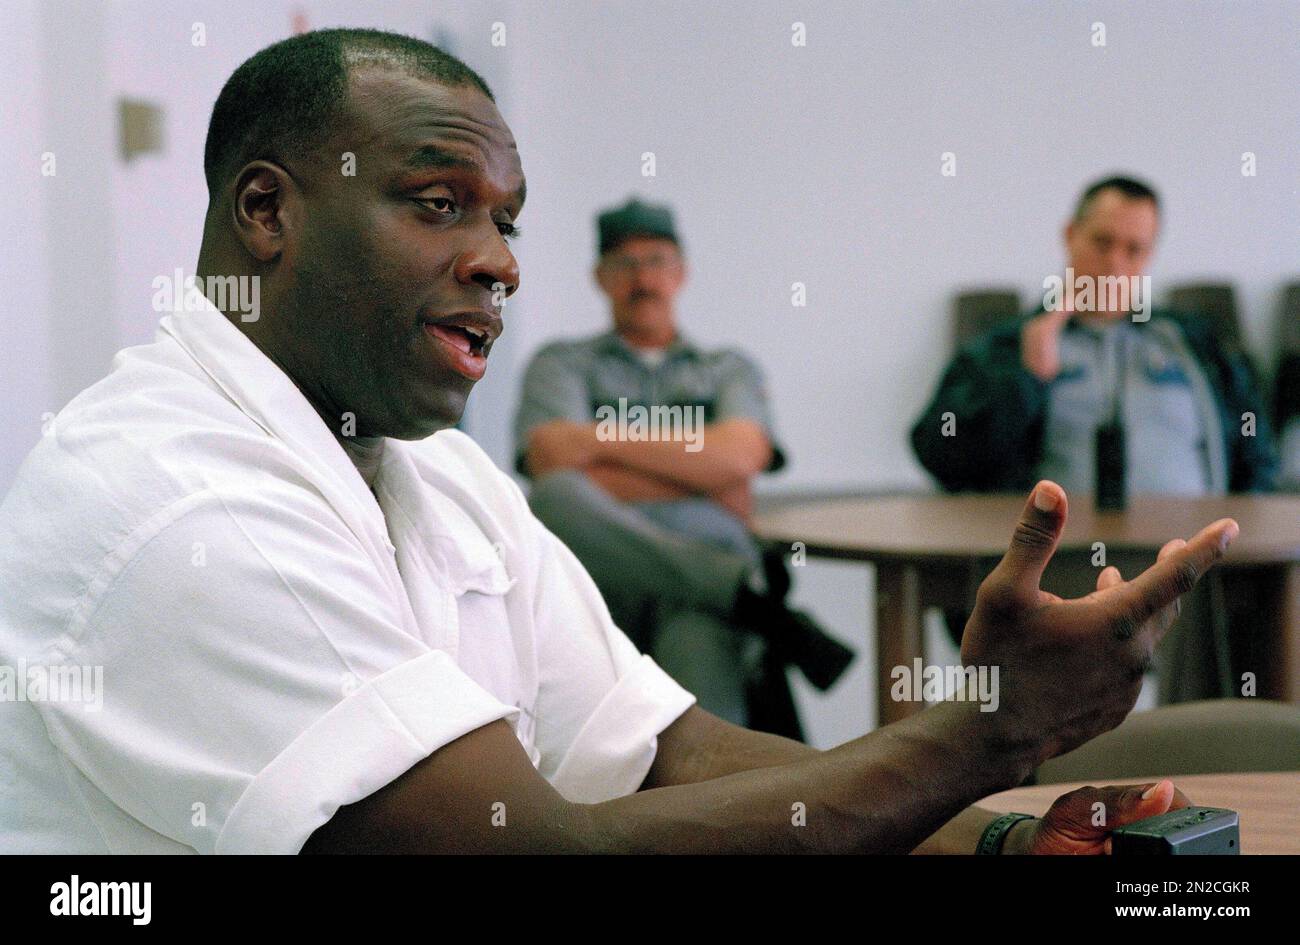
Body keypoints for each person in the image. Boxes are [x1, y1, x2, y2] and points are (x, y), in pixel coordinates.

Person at [0, 30, 1237, 854]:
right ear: (265, 210)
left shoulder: (430, 464)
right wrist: (986, 735)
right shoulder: (181, 504)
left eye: (506, 221)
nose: (496, 260)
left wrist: (1007, 833)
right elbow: (536, 850)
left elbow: (666, 753)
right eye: (437, 204)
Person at [910, 176, 1277, 700]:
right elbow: (942, 454)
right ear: (1070, 235)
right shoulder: (1008, 347)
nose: (1115, 264)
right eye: (1102, 242)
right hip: (1058, 572)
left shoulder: (1193, 347)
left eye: (1135, 249)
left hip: (1190, 571)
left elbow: (1254, 456)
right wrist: (1026, 378)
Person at [514, 197, 851, 732]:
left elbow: (741, 456)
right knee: (554, 498)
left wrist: (601, 451)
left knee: (698, 693)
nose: (642, 278)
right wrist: (698, 471)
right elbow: (552, 461)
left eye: (657, 262)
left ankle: (727, 598)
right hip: (598, 581)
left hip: (700, 569)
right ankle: (743, 591)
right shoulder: (561, 363)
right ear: (600, 277)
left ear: (682, 274)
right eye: (625, 264)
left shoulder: (726, 368)